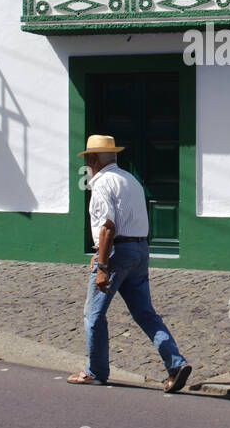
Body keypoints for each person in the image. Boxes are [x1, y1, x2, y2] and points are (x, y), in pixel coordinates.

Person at [68, 134, 191, 393]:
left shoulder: (102, 184)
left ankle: (96, 371)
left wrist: (102, 266)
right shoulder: (130, 179)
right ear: (112, 156)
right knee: (145, 313)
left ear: (92, 159)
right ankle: (175, 364)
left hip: (117, 253)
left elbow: (108, 227)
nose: (88, 167)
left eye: (88, 161)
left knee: (93, 315)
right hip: (140, 250)